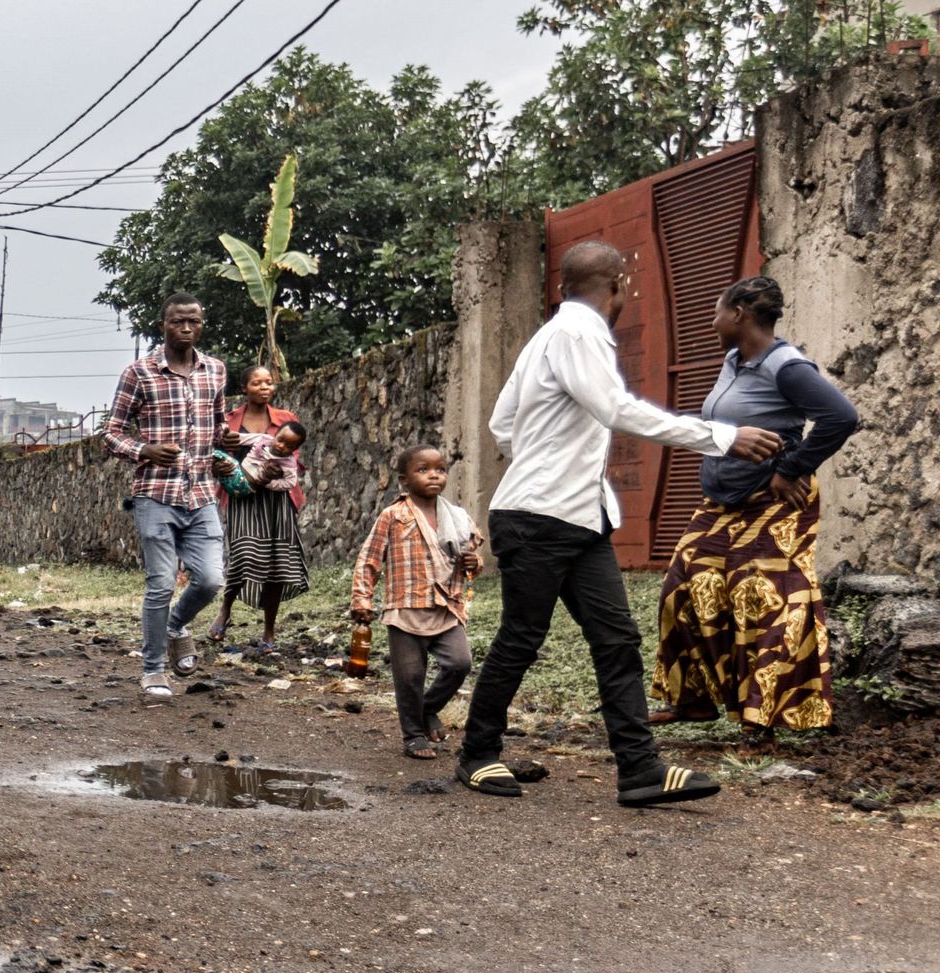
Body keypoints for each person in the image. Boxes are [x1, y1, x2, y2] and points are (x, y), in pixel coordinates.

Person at [458, 240, 782, 805]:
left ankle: (639, 770)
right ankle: (477, 754)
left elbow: (501, 422)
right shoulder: (578, 333)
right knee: (522, 637)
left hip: (580, 517)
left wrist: (543, 452)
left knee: (616, 640)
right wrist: (724, 438)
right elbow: (616, 409)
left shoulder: (545, 337)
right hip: (538, 517)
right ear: (618, 285)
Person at [652, 276, 858, 747]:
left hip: (774, 502)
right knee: (684, 584)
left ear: (739, 314)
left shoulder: (785, 365)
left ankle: (762, 719)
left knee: (760, 597)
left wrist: (791, 467)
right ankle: (694, 699)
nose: (712, 320)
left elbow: (841, 417)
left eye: (717, 311)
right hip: (723, 503)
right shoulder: (734, 361)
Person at [104, 292, 236, 697]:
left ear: (201, 324)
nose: (186, 328)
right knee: (160, 581)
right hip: (154, 495)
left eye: (193, 321)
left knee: (212, 579)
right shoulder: (139, 373)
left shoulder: (214, 370)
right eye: (178, 321)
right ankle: (153, 668)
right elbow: (110, 433)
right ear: (163, 325)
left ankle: (176, 624)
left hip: (201, 495)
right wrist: (144, 450)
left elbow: (217, 428)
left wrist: (224, 452)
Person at [350, 446, 483, 760]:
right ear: (403, 480)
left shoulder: (457, 517)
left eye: (439, 469)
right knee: (410, 677)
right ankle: (413, 735)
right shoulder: (394, 515)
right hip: (405, 607)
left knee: (459, 663)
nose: (434, 475)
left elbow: (475, 563)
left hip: (446, 606)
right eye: (423, 470)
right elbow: (369, 560)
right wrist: (362, 599)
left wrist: (472, 561)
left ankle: (428, 709)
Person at [210, 366, 312, 653]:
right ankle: (225, 610)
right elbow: (217, 455)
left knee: (277, 563)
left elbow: (294, 458)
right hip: (243, 495)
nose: (264, 387)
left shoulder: (286, 420)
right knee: (242, 554)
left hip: (276, 499)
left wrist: (274, 476)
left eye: (268, 382)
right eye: (257, 383)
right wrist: (224, 446)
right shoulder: (229, 420)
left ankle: (269, 630)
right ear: (245, 387)